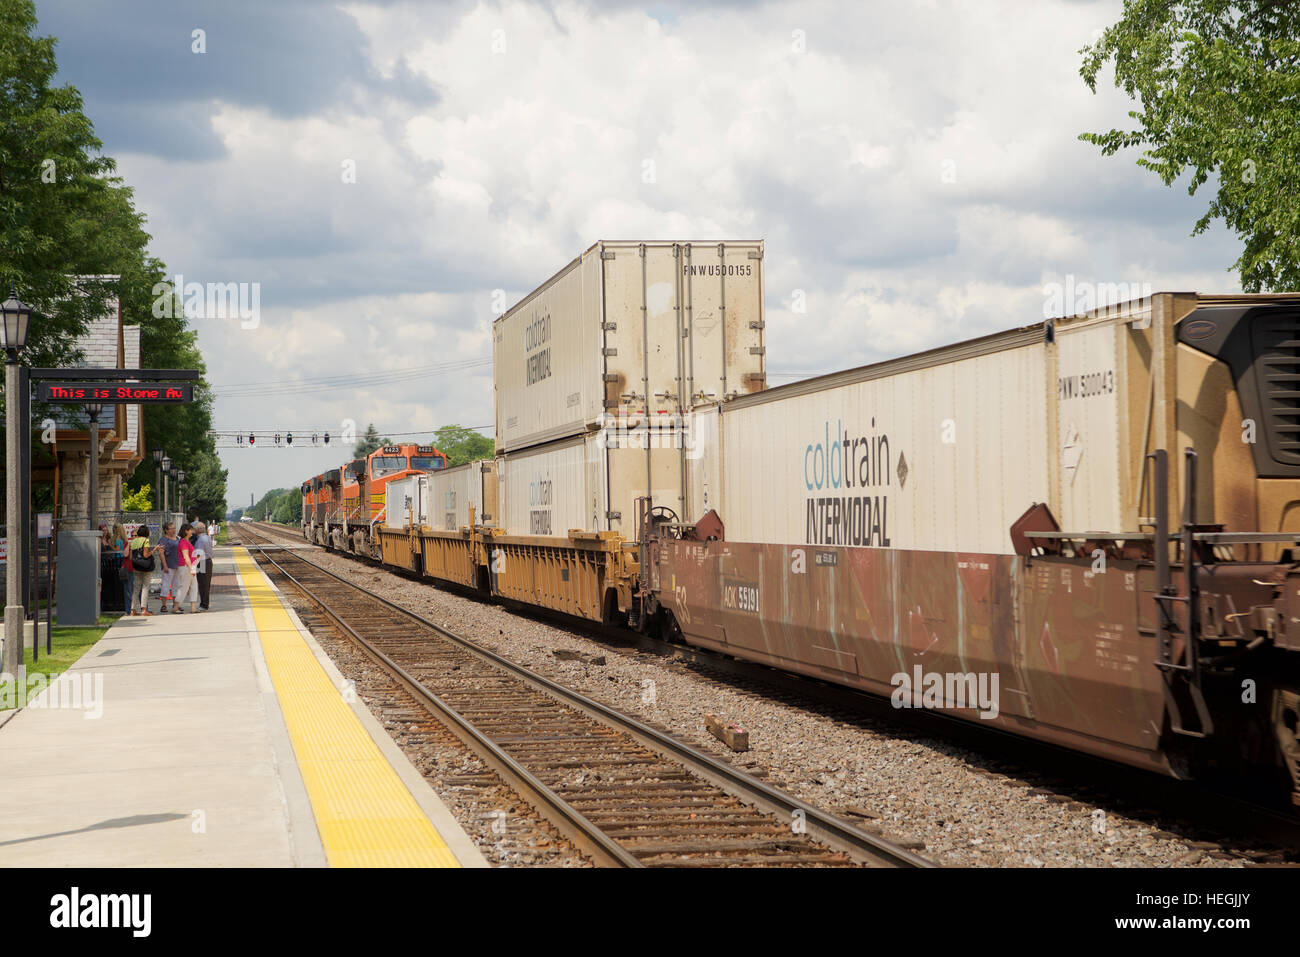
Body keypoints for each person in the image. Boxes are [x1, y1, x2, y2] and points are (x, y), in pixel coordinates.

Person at [128, 524, 155, 616]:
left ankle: (133, 609)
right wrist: (154, 550)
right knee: (145, 587)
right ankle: (144, 609)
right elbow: (146, 555)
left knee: (136, 589)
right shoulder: (146, 540)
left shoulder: (133, 541)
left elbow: (131, 557)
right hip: (146, 567)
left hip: (136, 567)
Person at [173, 523, 200, 614]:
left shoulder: (186, 541)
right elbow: (186, 556)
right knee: (183, 587)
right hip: (186, 567)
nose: (192, 531)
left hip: (189, 567)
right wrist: (191, 568)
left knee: (194, 586)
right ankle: (176, 607)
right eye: (190, 530)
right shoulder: (184, 542)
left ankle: (193, 607)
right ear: (186, 531)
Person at [156, 522, 179, 612]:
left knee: (176, 585)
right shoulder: (163, 540)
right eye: (171, 528)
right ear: (166, 530)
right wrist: (164, 565)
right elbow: (161, 553)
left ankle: (175, 604)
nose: (173, 530)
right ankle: (164, 605)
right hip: (168, 565)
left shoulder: (176, 538)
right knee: (166, 585)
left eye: (174, 528)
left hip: (177, 565)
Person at [193, 521, 214, 611]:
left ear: (197, 530)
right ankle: (205, 603)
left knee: (202, 584)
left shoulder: (200, 540)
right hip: (208, 561)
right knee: (206, 584)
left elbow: (198, 553)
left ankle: (204, 604)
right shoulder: (207, 538)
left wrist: (194, 565)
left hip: (202, 562)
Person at [111, 522, 131, 614]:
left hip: (118, 560)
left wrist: (110, 545)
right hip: (124, 561)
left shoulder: (118, 539)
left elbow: (117, 550)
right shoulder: (125, 539)